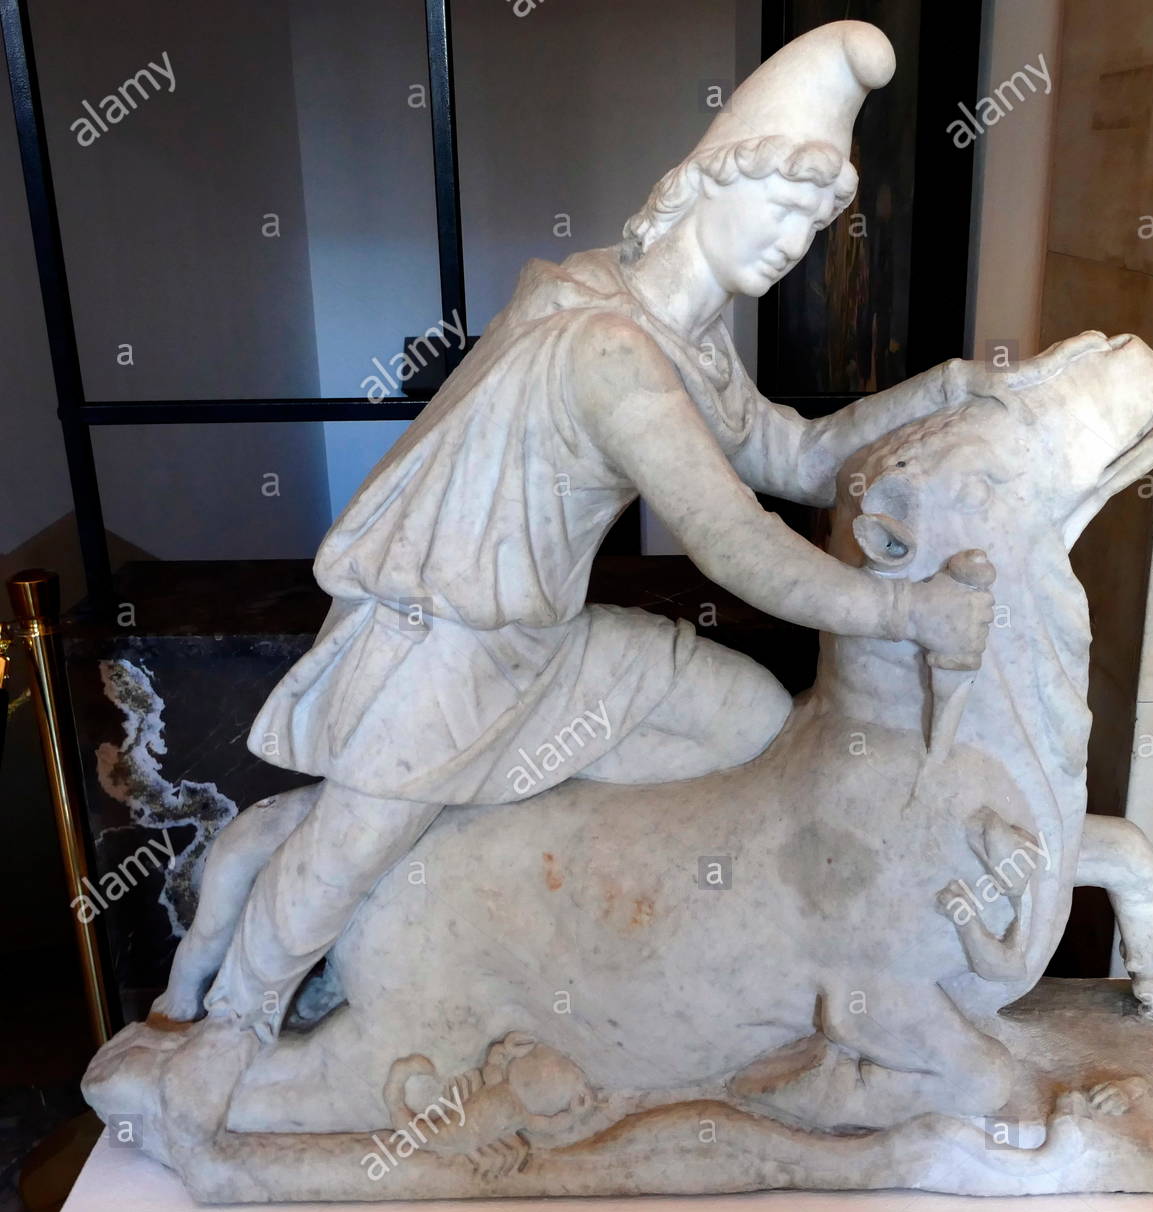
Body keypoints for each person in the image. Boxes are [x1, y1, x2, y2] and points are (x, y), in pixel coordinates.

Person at [156, 21, 1021, 1041]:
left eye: (817, 220)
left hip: (550, 644)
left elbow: (794, 459)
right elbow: (735, 544)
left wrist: (942, 391)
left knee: (749, 723)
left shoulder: (685, 337)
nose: (796, 240)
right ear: (704, 185)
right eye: (785, 204)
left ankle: (533, 933)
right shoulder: (608, 344)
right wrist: (906, 611)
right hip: (454, 646)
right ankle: (227, 1030)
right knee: (346, 846)